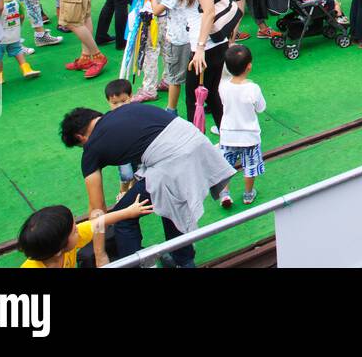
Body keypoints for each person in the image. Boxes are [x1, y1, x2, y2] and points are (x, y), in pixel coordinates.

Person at [60, 101, 235, 269]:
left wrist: (100, 256)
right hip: (200, 145)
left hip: (173, 163)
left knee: (123, 217)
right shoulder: (127, 111)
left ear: (80, 137)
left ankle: (139, 265)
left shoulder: (91, 147)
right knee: (168, 200)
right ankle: (183, 260)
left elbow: (97, 209)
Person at [147, 0, 241, 128]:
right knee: (211, 93)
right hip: (213, 42)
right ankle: (227, 136)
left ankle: (203, 144)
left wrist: (199, 49)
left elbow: (209, 12)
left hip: (205, 46)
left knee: (194, 99)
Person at [18, 198, 151, 268]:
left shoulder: (64, 246)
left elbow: (99, 222)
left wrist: (129, 212)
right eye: (74, 231)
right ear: (58, 250)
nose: (78, 229)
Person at [217, 44, 266, 208]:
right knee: (250, 166)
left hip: (228, 134)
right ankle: (248, 193)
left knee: (226, 165)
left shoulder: (223, 86)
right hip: (249, 135)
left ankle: (224, 194)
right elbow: (261, 108)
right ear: (249, 66)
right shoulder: (253, 88)